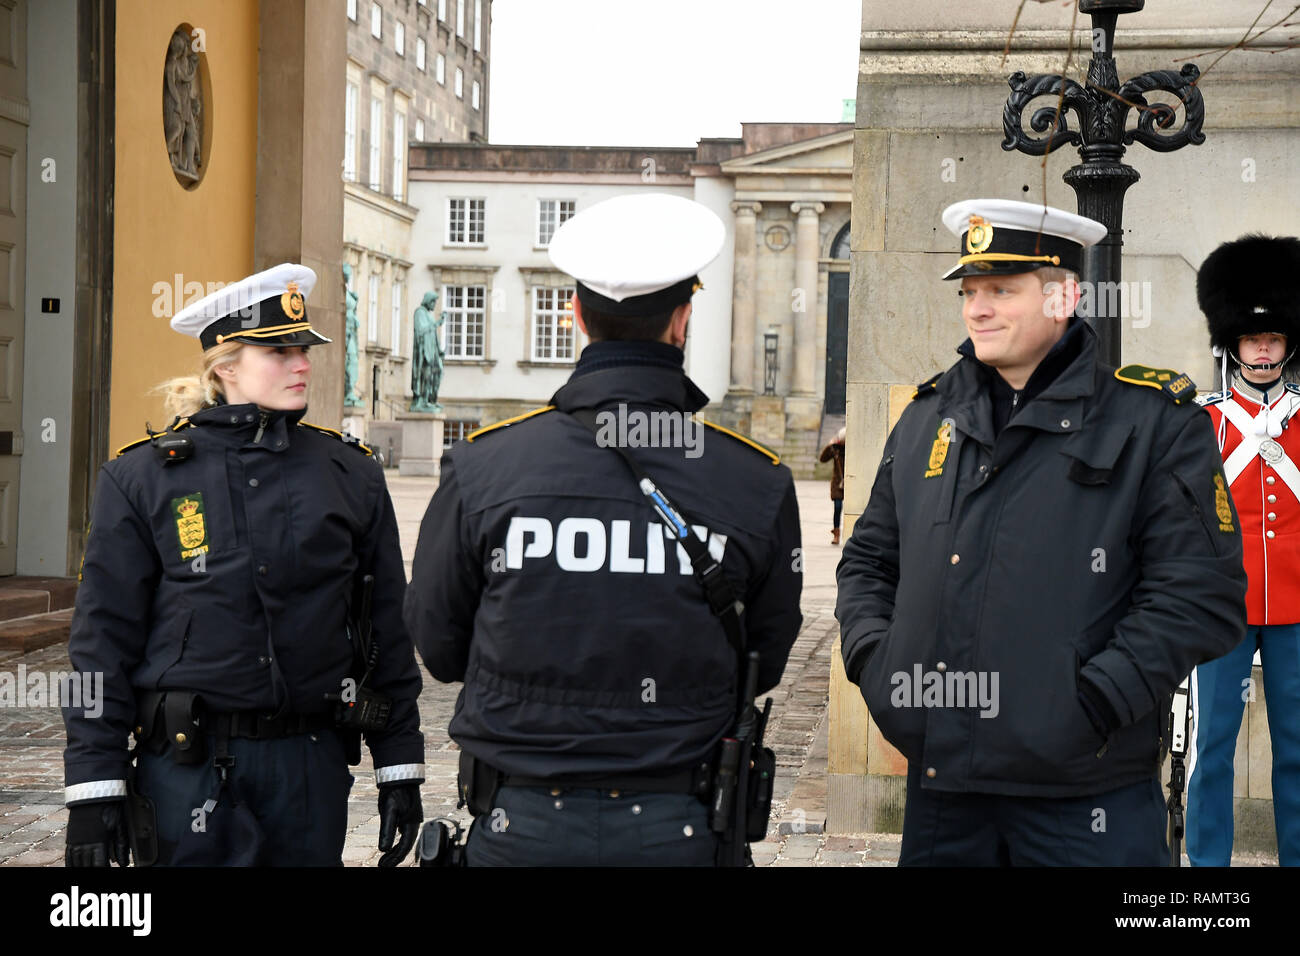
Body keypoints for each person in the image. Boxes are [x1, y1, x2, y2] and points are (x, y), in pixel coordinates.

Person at [836, 198, 1248, 866]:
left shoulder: (1155, 423)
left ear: (1064, 296)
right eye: (970, 291)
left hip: (1085, 800)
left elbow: (1200, 594)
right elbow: (868, 563)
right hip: (946, 795)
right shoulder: (927, 419)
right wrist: (877, 669)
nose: (978, 309)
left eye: (1002, 289)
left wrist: (1091, 703)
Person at [404, 193, 803, 866]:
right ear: (683, 320)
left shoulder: (485, 466)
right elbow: (762, 654)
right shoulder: (753, 480)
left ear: (576, 317)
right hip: (678, 826)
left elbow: (440, 647)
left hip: (520, 825)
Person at [62, 263, 425, 867]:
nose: (303, 364)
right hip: (185, 769)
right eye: (280, 351)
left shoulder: (349, 474)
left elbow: (385, 625)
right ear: (224, 365)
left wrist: (399, 762)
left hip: (309, 766)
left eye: (304, 349)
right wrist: (93, 788)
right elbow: (100, 640)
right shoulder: (144, 476)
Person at [1187, 234, 1300, 867]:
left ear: (1287, 345)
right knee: (1212, 747)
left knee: (1299, 747)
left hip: (1297, 605)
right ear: (1232, 345)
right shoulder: (1202, 422)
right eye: (1253, 339)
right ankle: (1208, 878)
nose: (1262, 348)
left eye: (1273, 339)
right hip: (1222, 607)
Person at [819, 427, 846, 545]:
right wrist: (829, 446)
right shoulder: (835, 449)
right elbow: (822, 459)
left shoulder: (853, 447)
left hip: (853, 481)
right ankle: (836, 533)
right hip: (838, 483)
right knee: (838, 507)